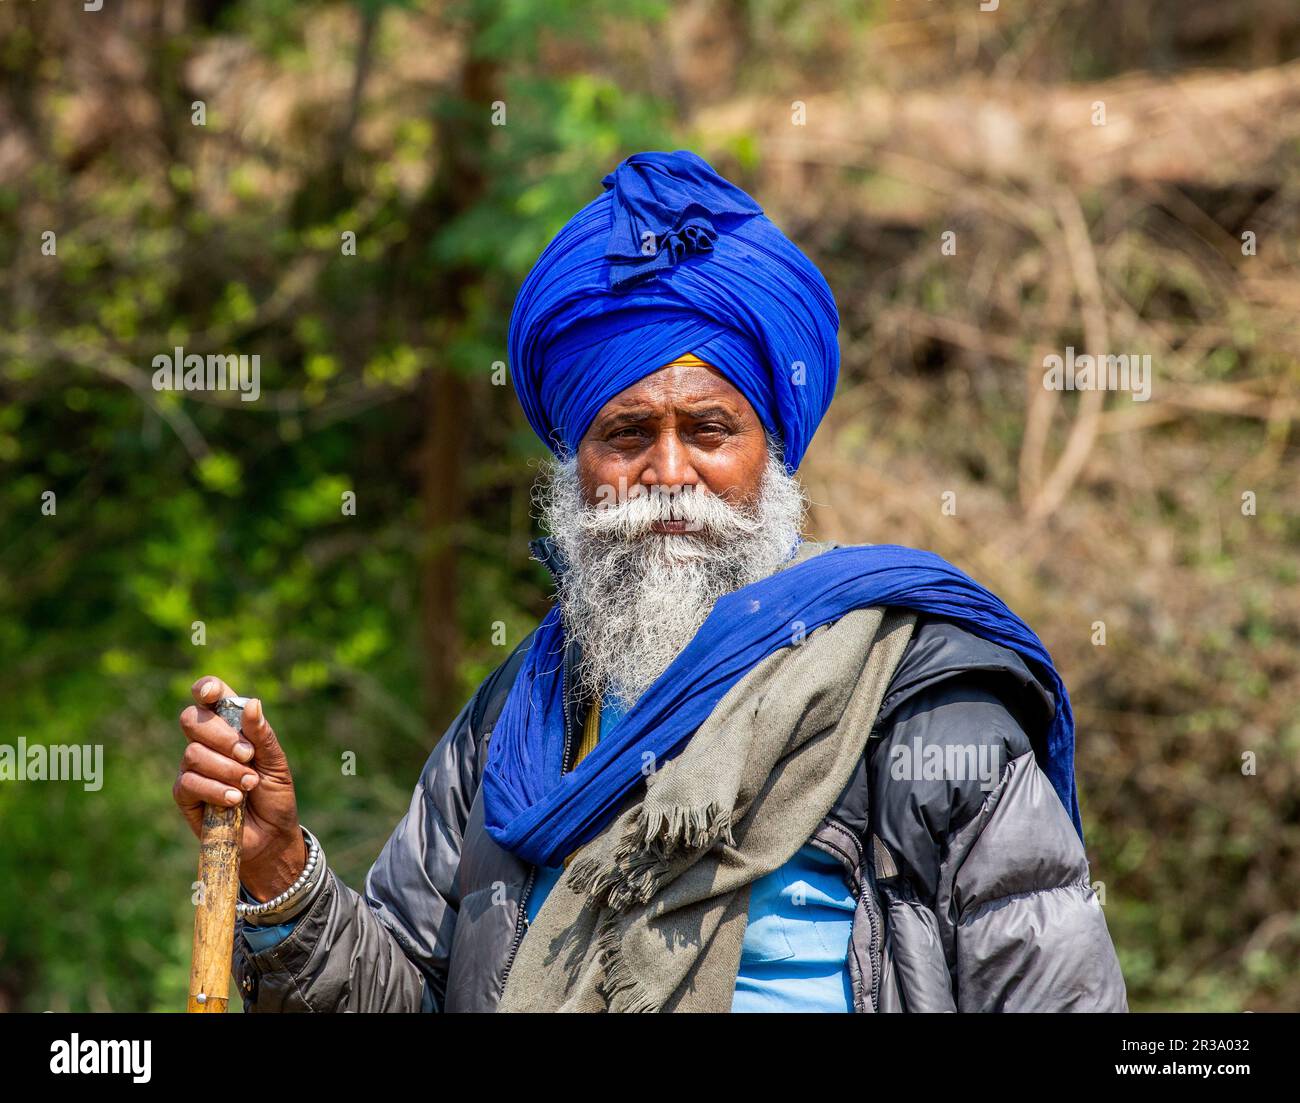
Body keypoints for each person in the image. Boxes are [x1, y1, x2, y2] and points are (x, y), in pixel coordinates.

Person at [173, 150, 1127, 1012]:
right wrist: (277, 872)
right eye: (627, 434)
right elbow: (411, 995)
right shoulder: (518, 724)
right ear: (573, 470)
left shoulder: (916, 706)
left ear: (771, 457)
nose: (669, 474)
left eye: (709, 432)